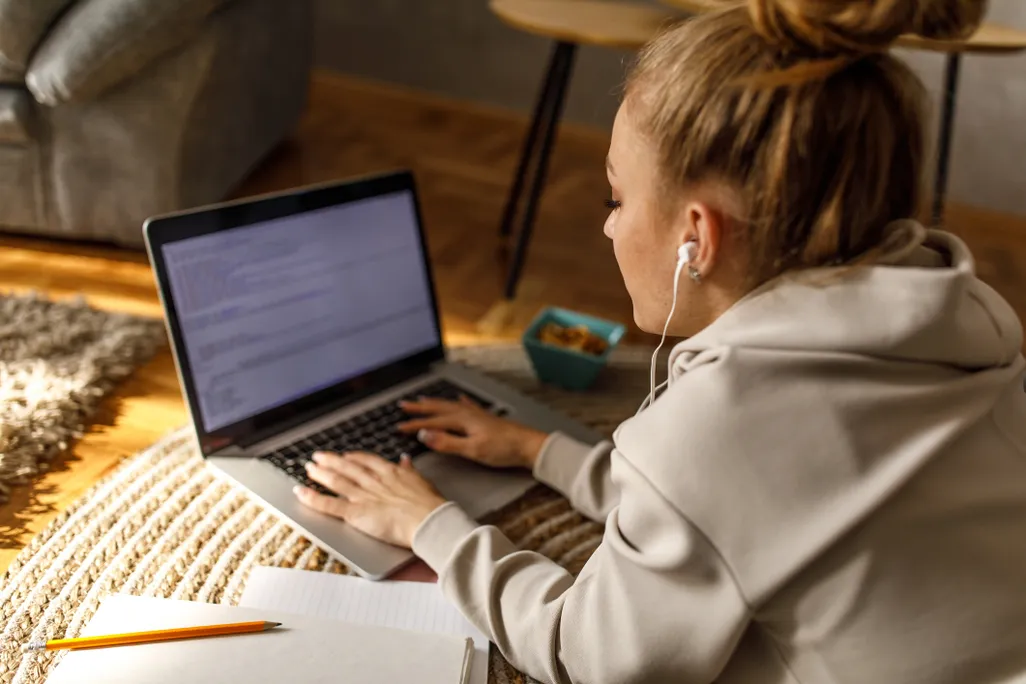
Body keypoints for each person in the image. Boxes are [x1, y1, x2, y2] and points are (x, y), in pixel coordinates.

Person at [293, 0, 1026, 681]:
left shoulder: (720, 425)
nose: (609, 225)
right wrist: (535, 450)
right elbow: (755, 499)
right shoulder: (963, 315)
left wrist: (429, 525)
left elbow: (589, 654)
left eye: (616, 198)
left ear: (696, 237)